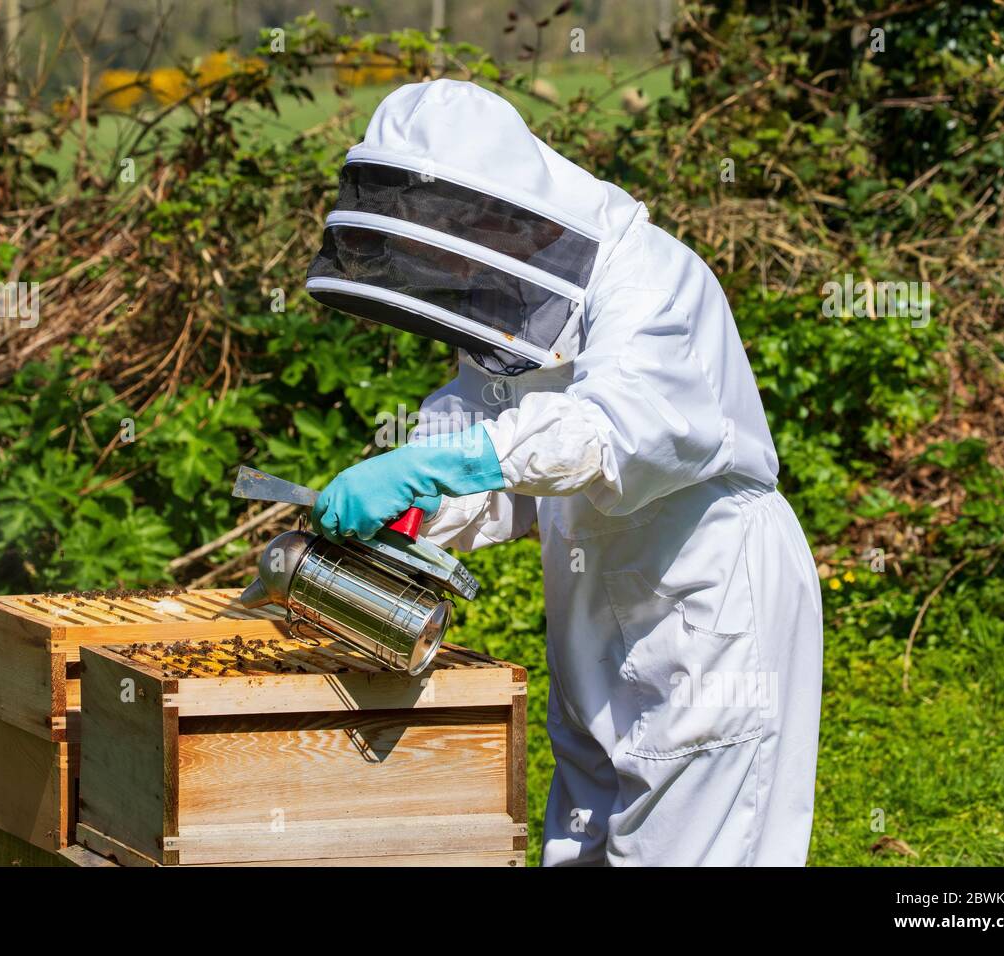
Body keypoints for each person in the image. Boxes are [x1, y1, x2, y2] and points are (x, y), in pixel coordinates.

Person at [305, 79, 822, 866]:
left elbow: (610, 432)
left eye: (440, 231)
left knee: (687, 848)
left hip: (709, 598)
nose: (434, 255)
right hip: (596, 603)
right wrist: (416, 506)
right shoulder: (512, 303)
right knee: (581, 837)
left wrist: (449, 461)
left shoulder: (648, 280)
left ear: (490, 204)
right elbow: (495, 445)